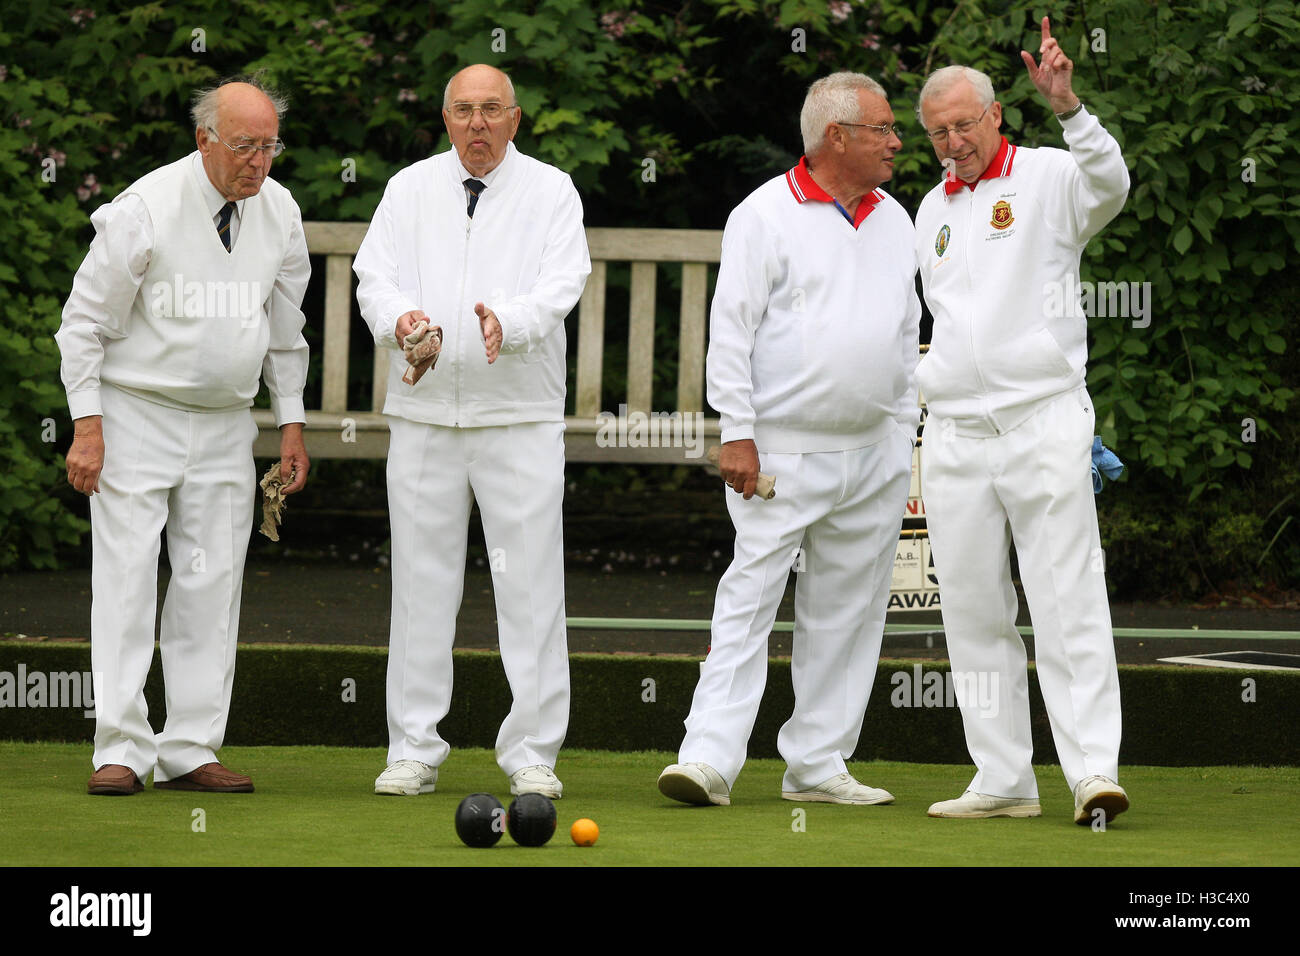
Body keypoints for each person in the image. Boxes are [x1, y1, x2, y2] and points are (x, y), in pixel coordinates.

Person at [658, 72, 920, 807]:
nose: (898, 141)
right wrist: (737, 434)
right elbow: (731, 331)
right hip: (781, 451)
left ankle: (818, 765)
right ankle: (707, 758)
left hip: (874, 449)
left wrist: (901, 432)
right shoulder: (763, 214)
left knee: (851, 607)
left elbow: (906, 337)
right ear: (837, 137)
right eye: (883, 129)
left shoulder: (896, 220)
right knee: (750, 596)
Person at [57, 76, 311, 795]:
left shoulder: (281, 211)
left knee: (210, 579)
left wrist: (289, 423)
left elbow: (287, 331)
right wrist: (87, 426)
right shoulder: (145, 207)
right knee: (128, 577)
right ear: (204, 140)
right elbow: (83, 324)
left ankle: (190, 746)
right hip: (135, 411)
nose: (258, 162)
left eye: (269, 146)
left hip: (227, 422)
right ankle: (121, 747)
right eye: (244, 146)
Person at [912, 19, 1130, 824]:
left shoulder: (1049, 176)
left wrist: (1070, 106)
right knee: (971, 608)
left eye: (964, 124)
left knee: (1066, 599)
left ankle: (1092, 772)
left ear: (997, 115)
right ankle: (1002, 778)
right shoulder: (930, 208)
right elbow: (933, 322)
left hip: (1042, 421)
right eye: (938, 132)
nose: (953, 142)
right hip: (958, 435)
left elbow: (1111, 186)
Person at [355, 64, 590, 800]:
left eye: (492, 110)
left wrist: (507, 324)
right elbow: (375, 278)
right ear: (446, 118)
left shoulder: (551, 190)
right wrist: (403, 324)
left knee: (529, 588)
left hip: (517, 416)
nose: (478, 124)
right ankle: (413, 748)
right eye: (464, 110)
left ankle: (532, 752)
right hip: (424, 415)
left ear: (515, 119)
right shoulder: (409, 186)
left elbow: (561, 283)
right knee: (421, 585)